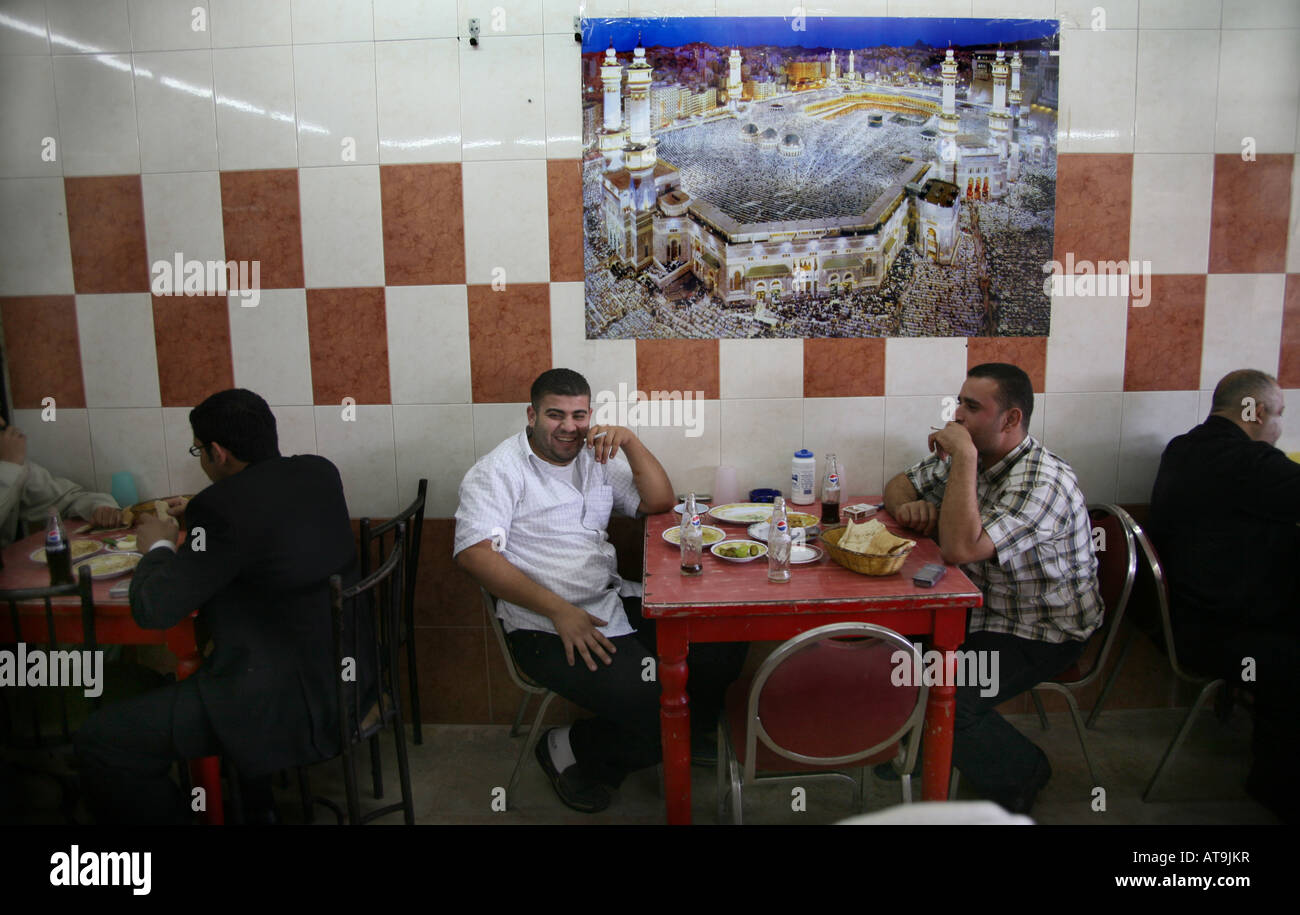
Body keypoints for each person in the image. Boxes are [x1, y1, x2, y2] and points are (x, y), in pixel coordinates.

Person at [454, 368, 746, 813]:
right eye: (555, 415)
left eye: (579, 415)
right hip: (545, 626)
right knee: (660, 704)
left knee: (721, 647)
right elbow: (474, 555)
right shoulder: (497, 472)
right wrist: (558, 611)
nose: (569, 427)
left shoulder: (594, 459)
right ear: (531, 415)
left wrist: (629, 441)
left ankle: (676, 738)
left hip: (610, 601)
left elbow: (659, 503)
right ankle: (570, 748)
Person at [74, 389, 356, 824]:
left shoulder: (218, 508)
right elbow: (265, 516)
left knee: (102, 740)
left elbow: (155, 610)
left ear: (217, 452)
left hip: (272, 701)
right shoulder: (319, 472)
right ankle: (252, 801)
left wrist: (159, 545)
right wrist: (203, 510)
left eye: (198, 451)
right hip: (344, 679)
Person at [883, 362, 1101, 813]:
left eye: (972, 406)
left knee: (948, 694)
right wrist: (912, 509)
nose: (957, 415)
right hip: (981, 611)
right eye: (959, 402)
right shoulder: (979, 452)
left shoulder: (1042, 481)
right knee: (890, 650)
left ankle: (1024, 772)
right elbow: (899, 484)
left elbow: (962, 548)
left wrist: (962, 457)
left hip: (1039, 631)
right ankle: (926, 744)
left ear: (1011, 419)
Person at [1148, 369, 1299, 823]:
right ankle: (1276, 785)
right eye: (1279, 415)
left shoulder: (1182, 448)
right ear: (1252, 411)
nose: (1279, 428)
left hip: (1176, 621)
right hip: (1216, 634)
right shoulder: (1253, 464)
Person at [0, 414, 121, 546]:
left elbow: (67, 499)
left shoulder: (13, 466)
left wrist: (100, 507)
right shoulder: (9, 466)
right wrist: (9, 468)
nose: (2, 422)